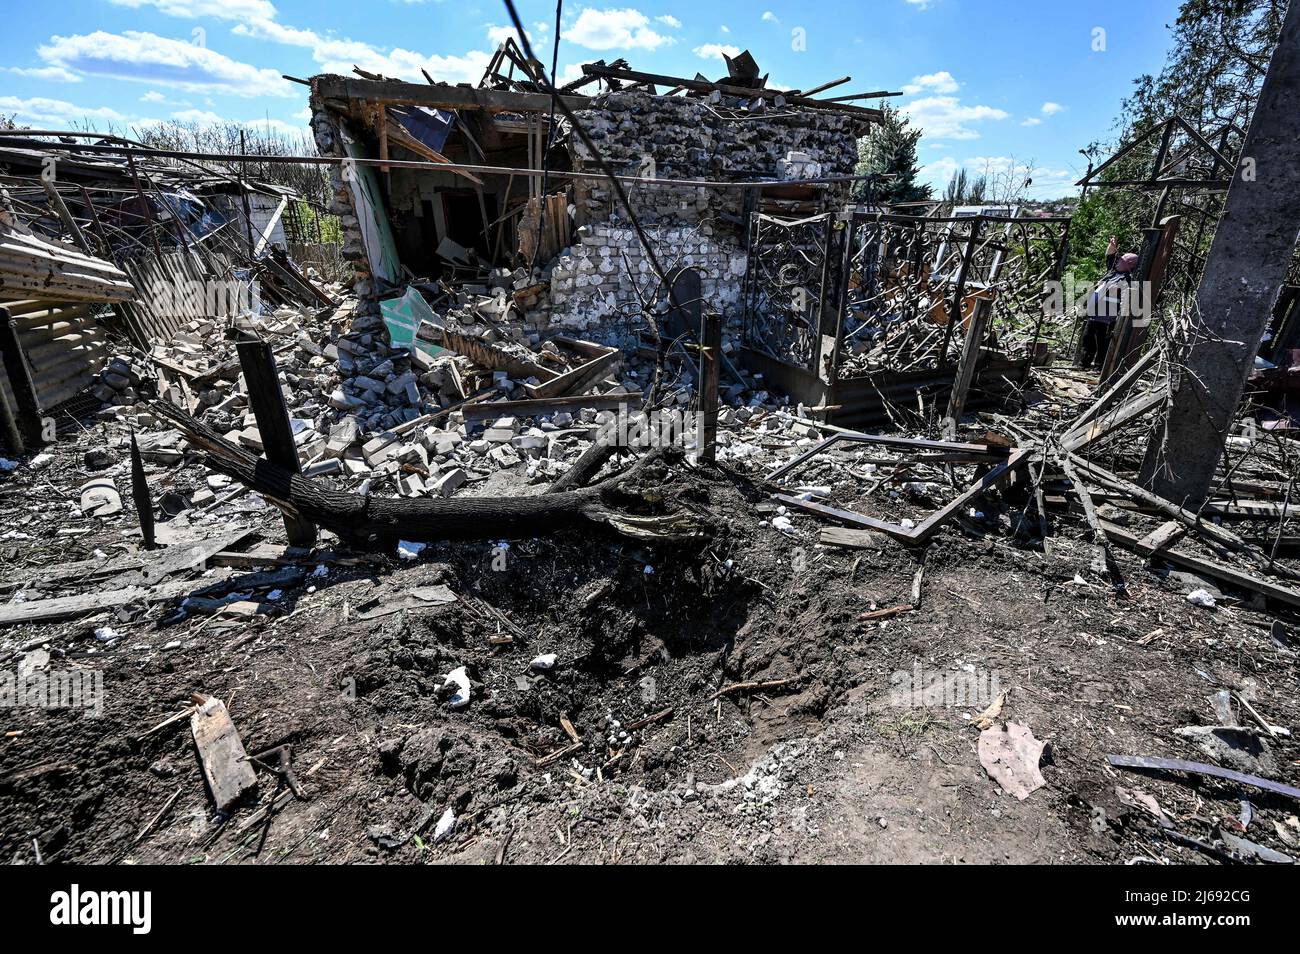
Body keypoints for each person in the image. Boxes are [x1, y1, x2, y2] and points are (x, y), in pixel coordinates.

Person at [1081, 236, 1140, 369]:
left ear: (1129, 264)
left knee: (1103, 343)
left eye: (1121, 260)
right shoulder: (1112, 273)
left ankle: (1098, 367)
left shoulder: (1129, 278)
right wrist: (1112, 245)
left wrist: (1121, 288)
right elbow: (1110, 256)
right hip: (1094, 315)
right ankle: (1084, 364)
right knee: (1088, 340)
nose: (1118, 261)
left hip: (1107, 319)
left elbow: (1129, 295)